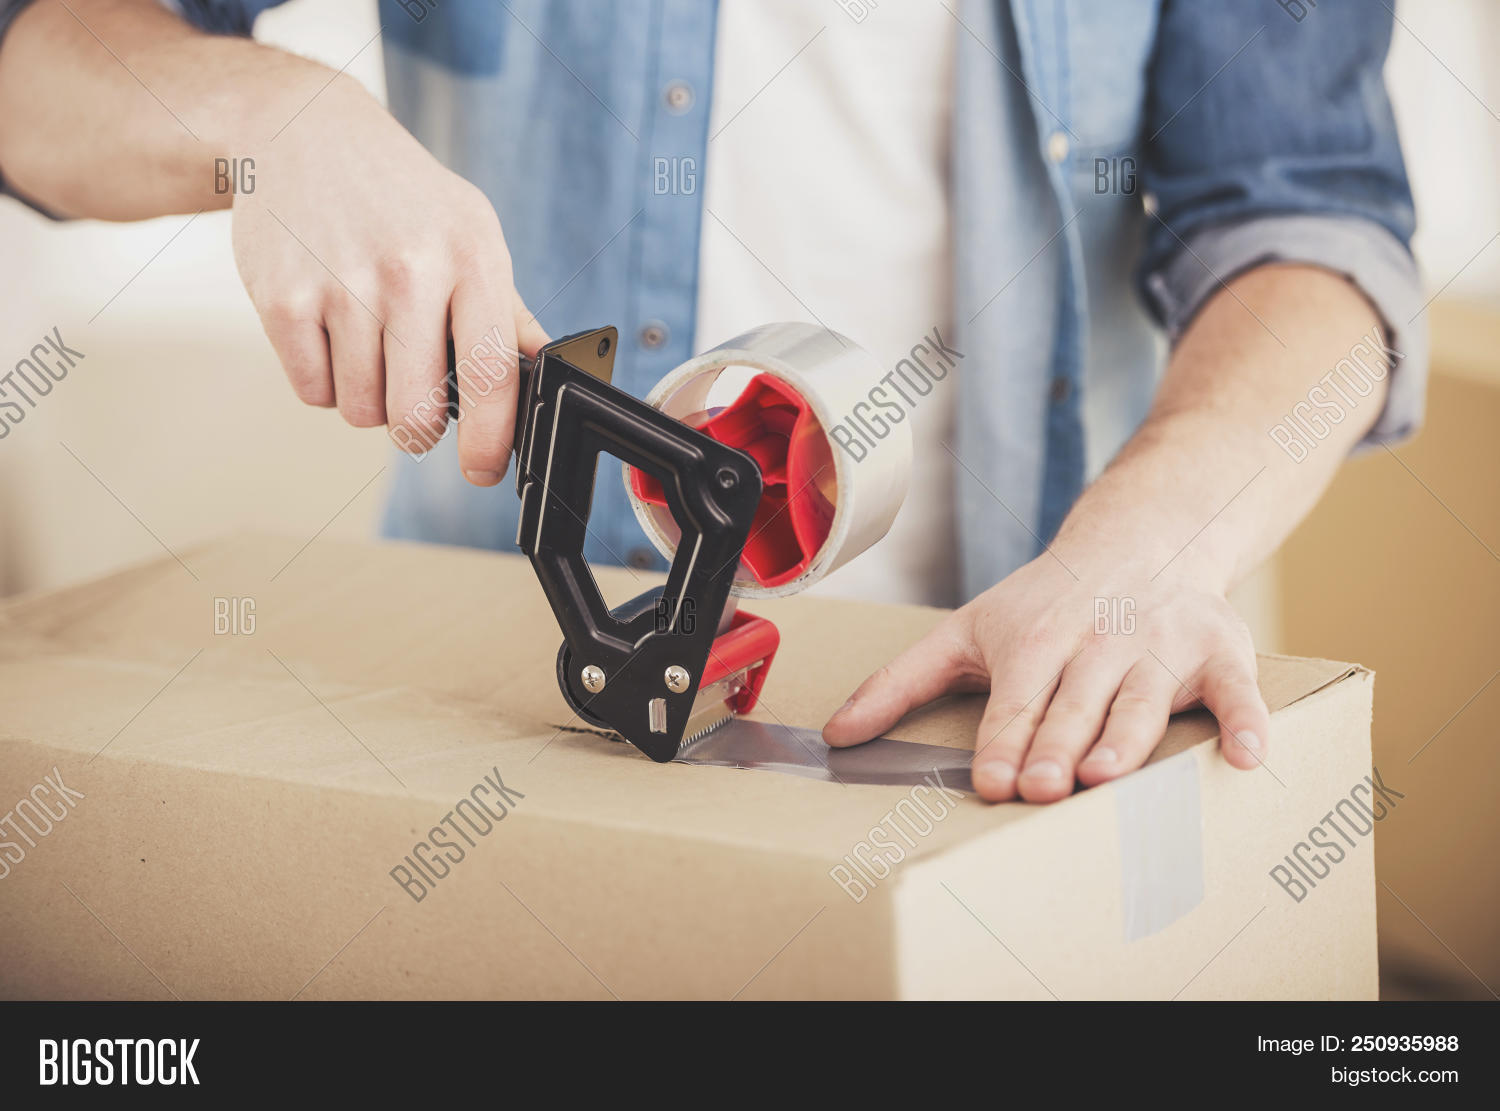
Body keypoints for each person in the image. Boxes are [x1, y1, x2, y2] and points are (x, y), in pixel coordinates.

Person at [0, 0, 1424, 803]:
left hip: (1003, 720)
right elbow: (34, 74)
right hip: (476, 725)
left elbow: (1314, 225)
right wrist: (264, 117)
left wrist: (1147, 544)